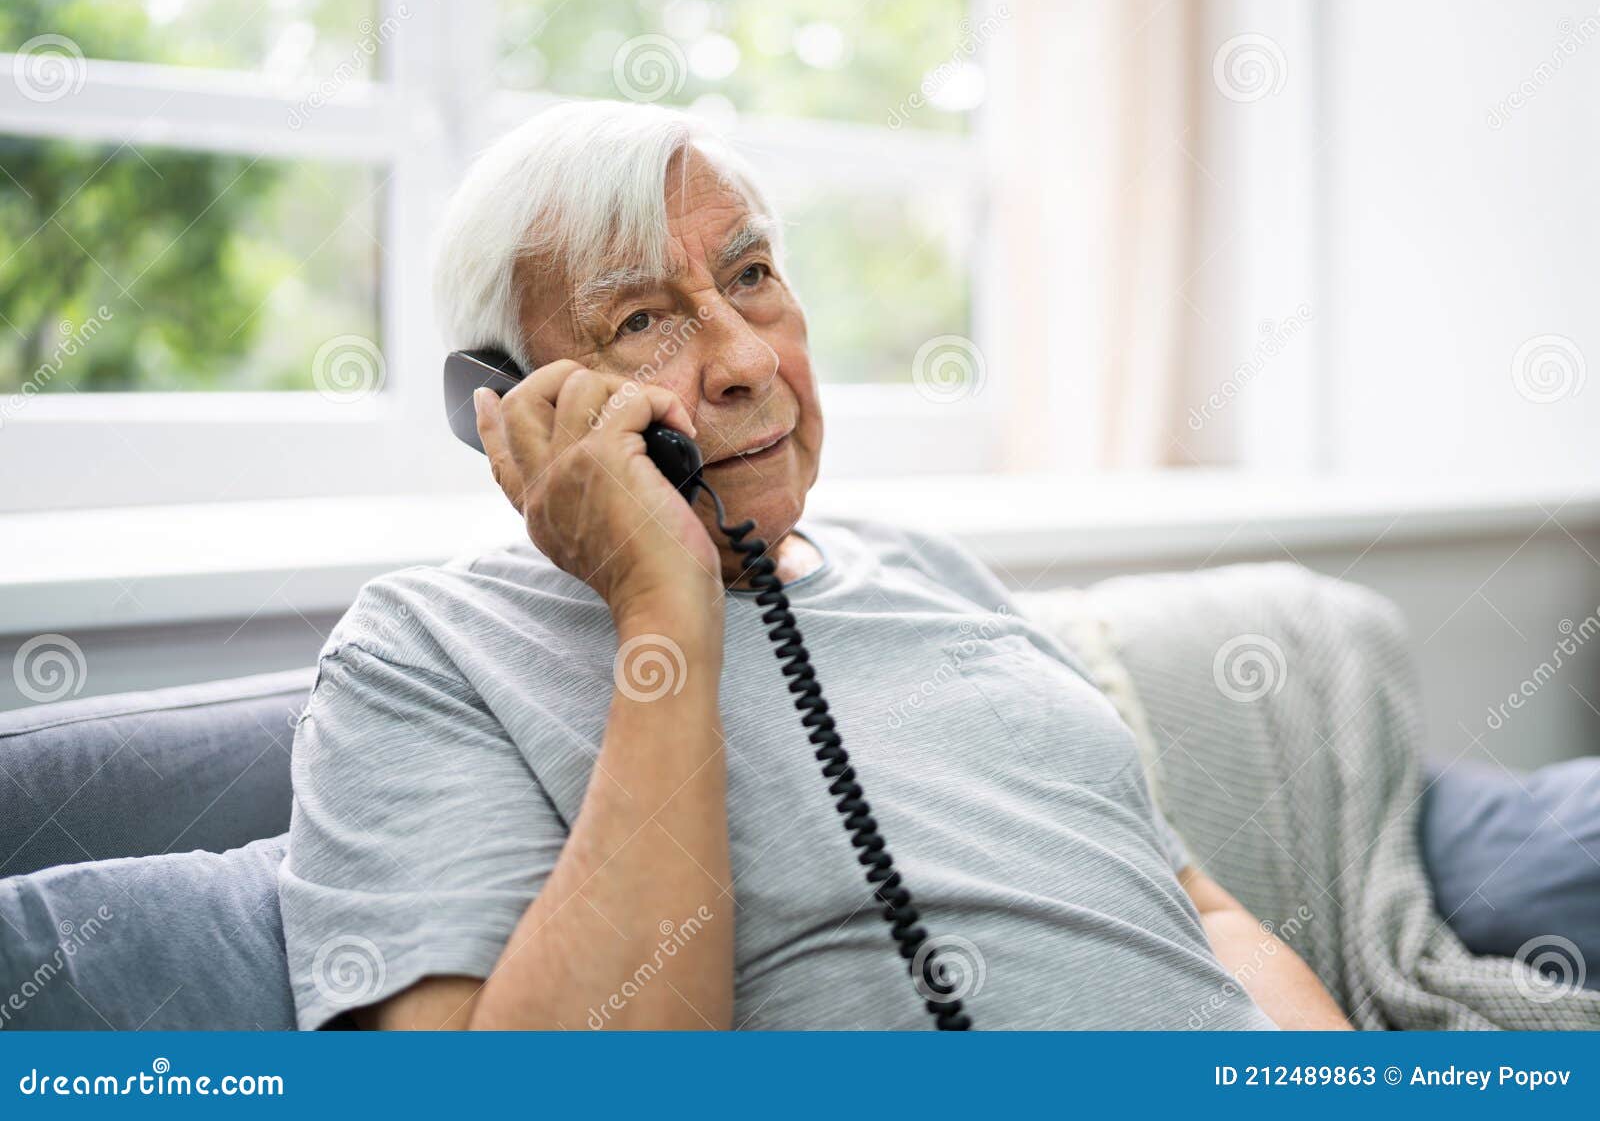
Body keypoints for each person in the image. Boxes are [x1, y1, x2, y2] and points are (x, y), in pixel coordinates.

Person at [278, 100, 1350, 1032]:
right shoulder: (419, 654)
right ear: (513, 402)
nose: (746, 359)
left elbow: (1196, 903)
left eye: (751, 277)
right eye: (642, 319)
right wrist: (662, 604)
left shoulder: (929, 566)